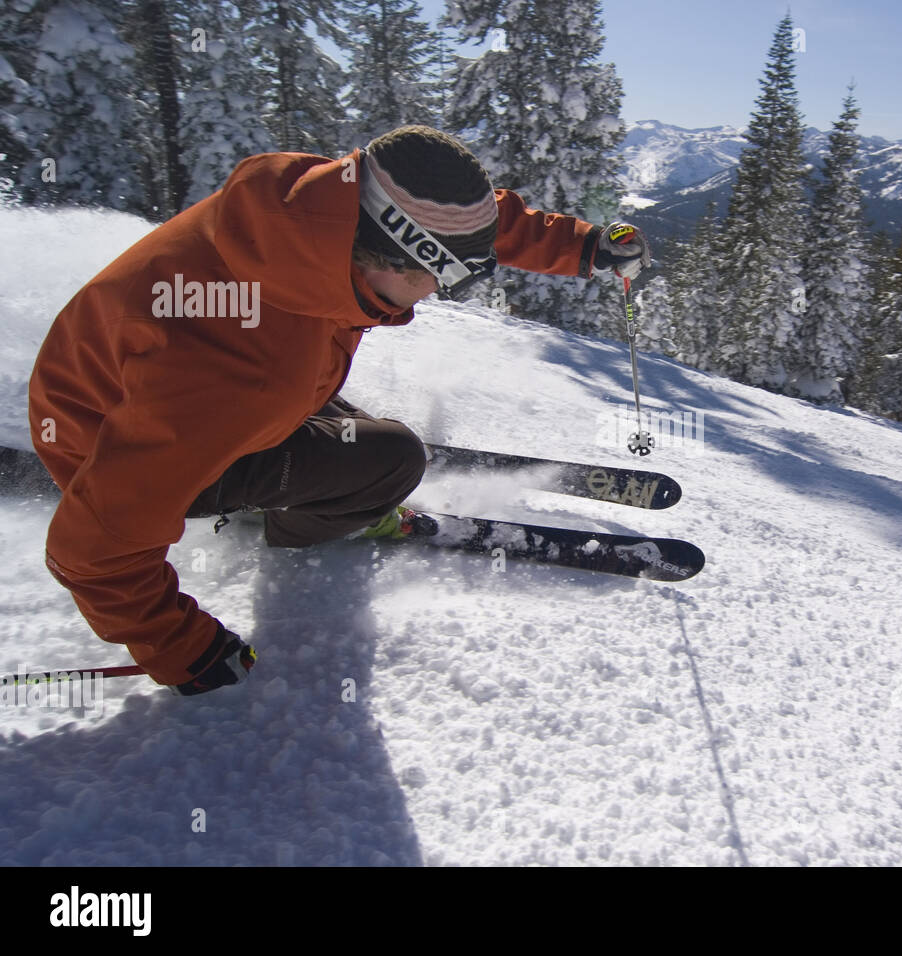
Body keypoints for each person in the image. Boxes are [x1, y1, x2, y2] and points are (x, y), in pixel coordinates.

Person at [27, 125, 651, 696]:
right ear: (392, 257)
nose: (448, 293)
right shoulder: (249, 369)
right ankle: (291, 513)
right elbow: (92, 549)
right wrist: (183, 649)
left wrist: (584, 245)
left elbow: (468, 225)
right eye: (452, 277)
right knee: (394, 460)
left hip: (112, 390)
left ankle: (309, 464)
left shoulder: (318, 209)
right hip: (120, 446)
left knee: (329, 411)